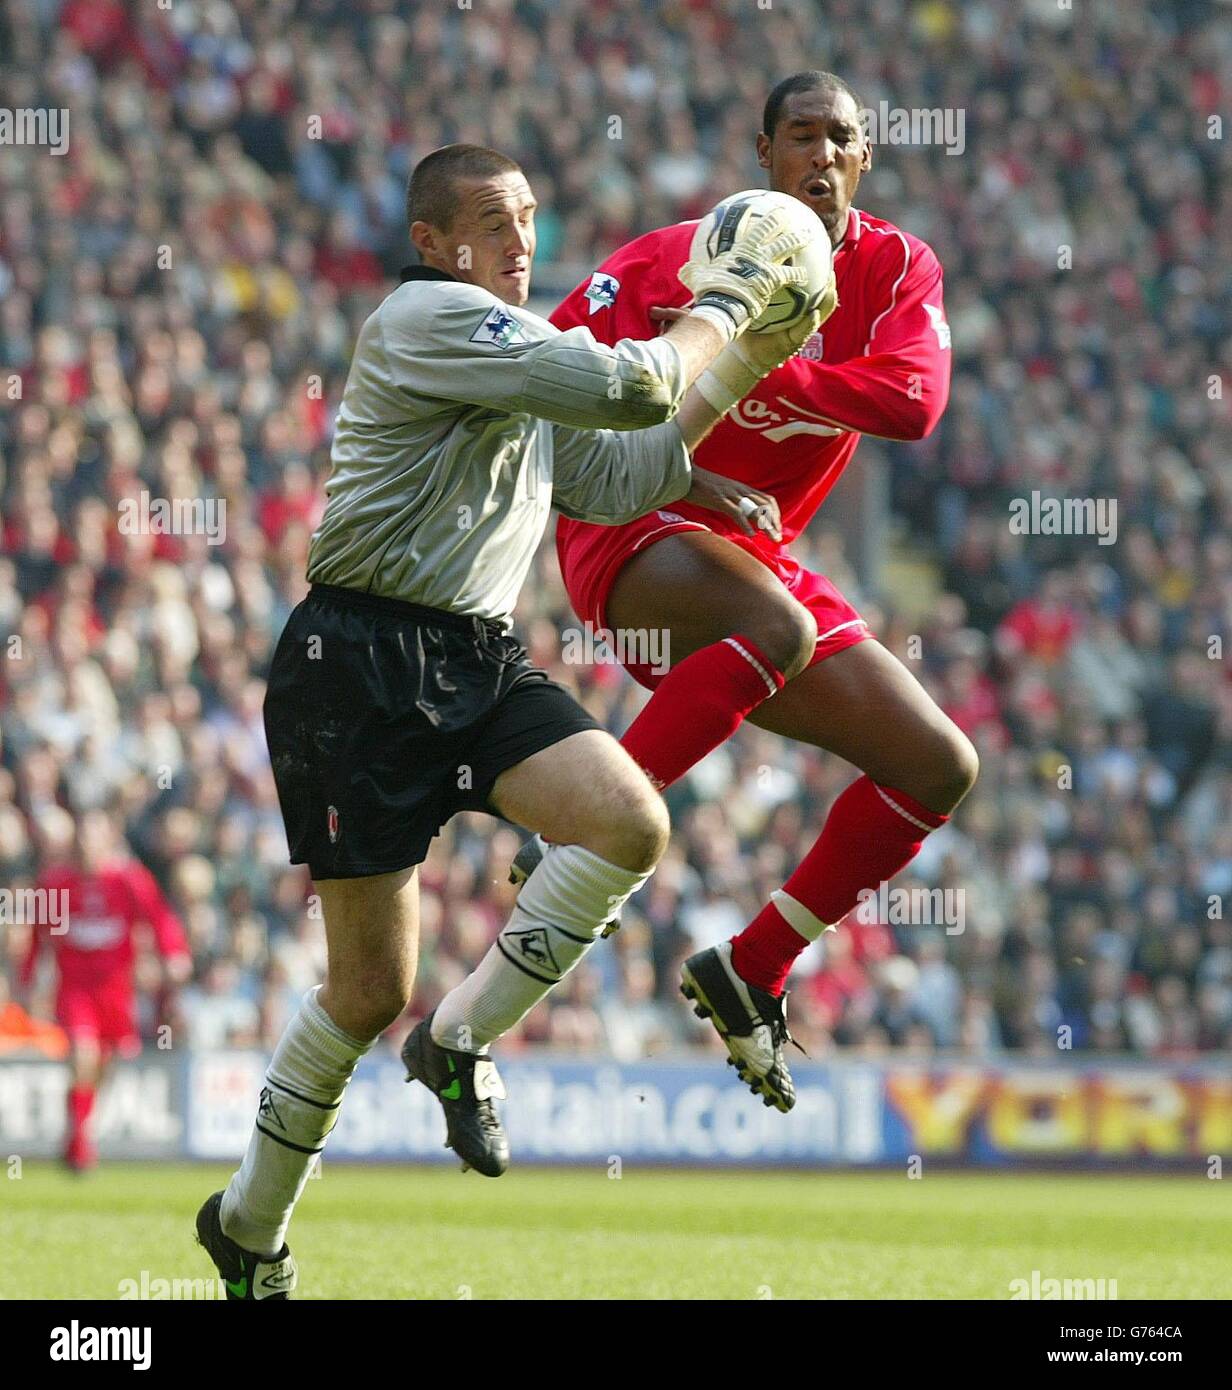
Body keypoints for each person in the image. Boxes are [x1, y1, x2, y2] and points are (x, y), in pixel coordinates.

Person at [194, 142, 827, 1298]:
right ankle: (247, 1221)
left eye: (529, 216)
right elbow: (636, 386)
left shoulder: (519, 356)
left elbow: (619, 473)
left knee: (627, 823)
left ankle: (459, 1038)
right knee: (364, 991)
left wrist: (747, 363)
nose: (521, 239)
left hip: (474, 653)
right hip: (357, 660)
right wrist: (728, 303)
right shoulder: (427, 317)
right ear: (432, 243)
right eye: (492, 220)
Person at [544, 71, 978, 1111]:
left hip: (751, 561)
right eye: (800, 137)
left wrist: (760, 369)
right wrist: (685, 467)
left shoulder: (892, 266)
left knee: (935, 764)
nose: (821, 156)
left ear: (863, 159)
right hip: (630, 523)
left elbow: (915, 403)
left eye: (840, 140)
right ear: (763, 155)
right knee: (772, 620)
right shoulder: (672, 259)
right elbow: (550, 381)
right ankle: (583, 836)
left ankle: (752, 966)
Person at [18, 806, 190, 1171]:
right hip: (76, 990)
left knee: (107, 1061)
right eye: (82, 837)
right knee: (83, 1053)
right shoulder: (56, 883)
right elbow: (38, 935)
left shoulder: (129, 880)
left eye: (94, 837)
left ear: (108, 840)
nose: (86, 845)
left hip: (116, 991)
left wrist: (173, 953)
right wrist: (30, 976)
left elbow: (159, 918)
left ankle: (78, 1125)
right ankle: (80, 1143)